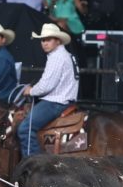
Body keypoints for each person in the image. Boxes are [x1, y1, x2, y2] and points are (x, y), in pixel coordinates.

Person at [17, 24, 79, 157]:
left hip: (56, 102)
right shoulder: (65, 55)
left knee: (25, 129)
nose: (44, 43)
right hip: (64, 99)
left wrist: (30, 91)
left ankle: (33, 165)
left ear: (58, 40)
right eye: (43, 40)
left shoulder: (57, 57)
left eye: (48, 39)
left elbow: (46, 86)